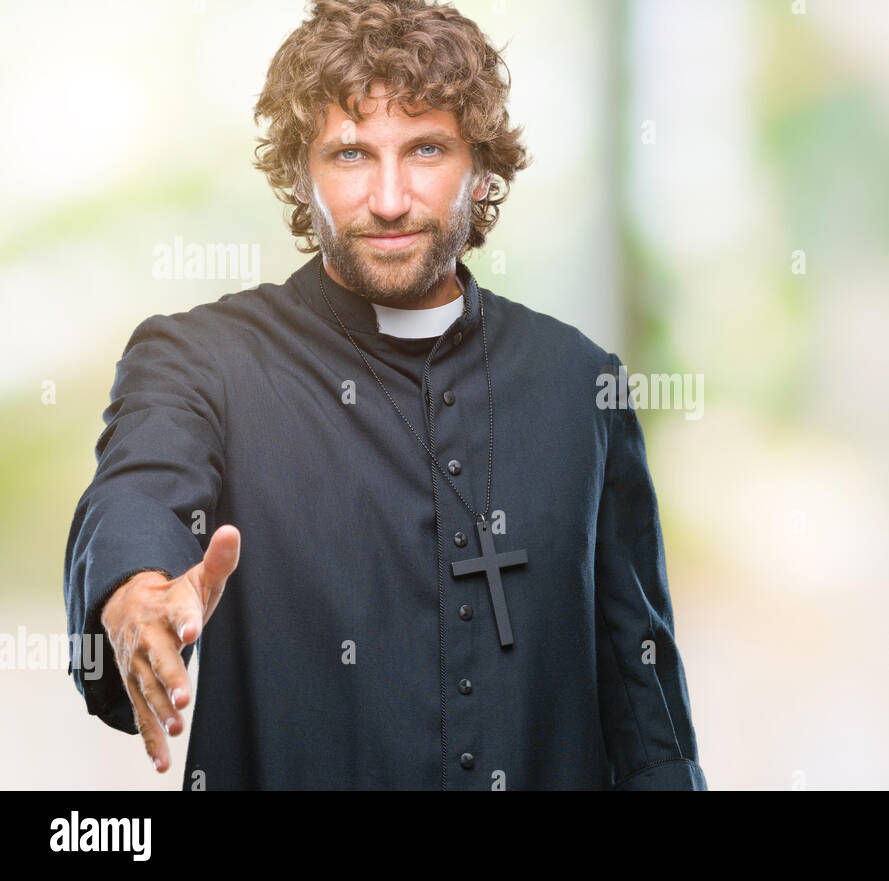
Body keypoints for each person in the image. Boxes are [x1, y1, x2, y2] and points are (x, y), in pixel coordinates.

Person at [62, 0, 706, 791]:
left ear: (480, 163)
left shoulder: (580, 381)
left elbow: (647, 715)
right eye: (352, 155)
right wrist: (137, 589)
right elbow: (136, 490)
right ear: (302, 170)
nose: (391, 198)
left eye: (427, 148)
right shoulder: (203, 359)